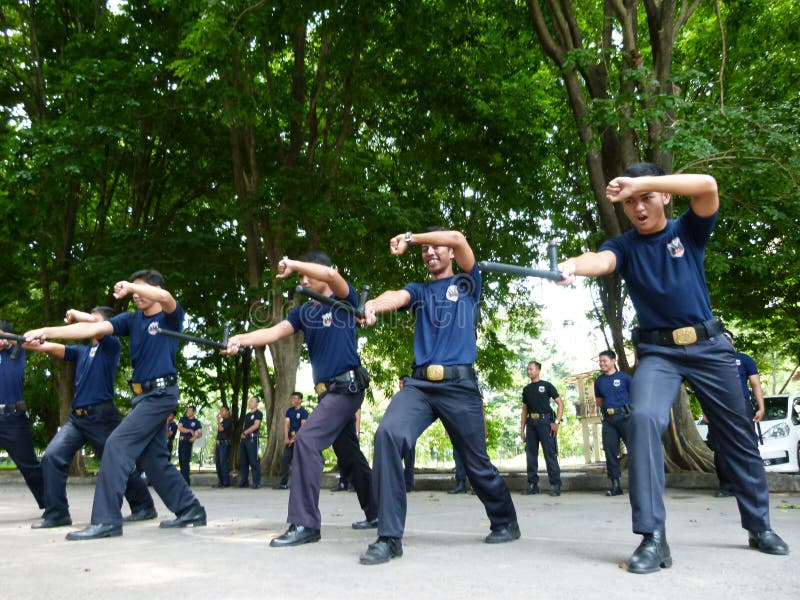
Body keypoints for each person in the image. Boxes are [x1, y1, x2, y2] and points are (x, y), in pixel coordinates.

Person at [557, 164, 788, 573]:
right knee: (643, 418)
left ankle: (759, 526)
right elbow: (600, 259)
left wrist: (641, 183)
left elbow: (708, 185)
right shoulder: (626, 246)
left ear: (664, 194)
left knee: (735, 433)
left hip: (709, 348)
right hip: (658, 353)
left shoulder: (687, 231)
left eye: (645, 197)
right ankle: (653, 537)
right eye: (629, 202)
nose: (638, 207)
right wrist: (573, 265)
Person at [359, 228, 520, 566]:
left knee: (476, 464)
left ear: (449, 255)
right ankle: (389, 537)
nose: (431, 252)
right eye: (426, 250)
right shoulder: (419, 290)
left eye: (437, 248)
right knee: (388, 434)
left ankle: (505, 519)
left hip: (460, 387)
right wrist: (373, 304)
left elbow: (460, 238)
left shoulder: (467, 283)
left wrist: (412, 238)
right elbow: (397, 296)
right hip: (419, 386)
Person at [24, 269, 206, 540]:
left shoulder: (169, 315)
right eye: (133, 291)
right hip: (142, 397)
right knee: (153, 459)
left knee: (117, 444)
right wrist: (45, 331)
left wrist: (133, 286)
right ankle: (190, 509)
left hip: (160, 394)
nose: (135, 296)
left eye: (140, 290)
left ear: (151, 288)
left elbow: (165, 296)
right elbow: (93, 327)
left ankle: (106, 521)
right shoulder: (131, 320)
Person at [224, 252, 377, 547]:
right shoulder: (304, 312)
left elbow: (332, 276)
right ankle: (377, 511)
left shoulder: (344, 299)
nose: (303, 279)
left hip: (347, 389)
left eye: (308, 274)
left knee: (306, 441)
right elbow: (272, 332)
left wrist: (294, 264)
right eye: (300, 276)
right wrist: (239, 339)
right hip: (328, 394)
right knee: (347, 453)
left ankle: (305, 523)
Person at [27, 307, 157, 529]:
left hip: (101, 417)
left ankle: (143, 506)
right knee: (51, 457)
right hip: (76, 419)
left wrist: (77, 315)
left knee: (116, 461)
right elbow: (56, 348)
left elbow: (96, 328)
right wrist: (33, 341)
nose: (89, 324)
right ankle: (57, 513)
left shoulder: (111, 346)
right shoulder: (82, 351)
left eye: (95, 320)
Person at [708, 330, 766, 497]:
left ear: (732, 341)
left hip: (741, 404)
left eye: (727, 339)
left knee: (748, 443)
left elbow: (755, 384)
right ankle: (726, 486)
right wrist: (707, 410)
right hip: (718, 405)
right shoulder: (710, 361)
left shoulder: (745, 359)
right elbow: (706, 387)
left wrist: (761, 407)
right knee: (721, 446)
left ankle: (751, 484)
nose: (725, 342)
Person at [0, 320, 45, 510]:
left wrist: (7, 340)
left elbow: (26, 341)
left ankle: (52, 506)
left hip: (12, 417)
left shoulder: (16, 352)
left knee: (30, 466)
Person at [520, 361, 564, 496]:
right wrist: (522, 429)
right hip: (531, 424)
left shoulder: (547, 385)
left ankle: (556, 485)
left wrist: (556, 422)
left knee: (550, 454)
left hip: (546, 422)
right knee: (531, 454)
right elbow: (524, 410)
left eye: (531, 369)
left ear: (538, 370)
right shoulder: (526, 389)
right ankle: (533, 485)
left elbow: (560, 404)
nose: (529, 372)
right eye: (527, 369)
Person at [593, 350, 632, 497]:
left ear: (613, 360)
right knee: (610, 452)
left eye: (604, 361)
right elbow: (599, 401)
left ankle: (639, 484)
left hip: (626, 417)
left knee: (634, 451)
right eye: (600, 361)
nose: (602, 363)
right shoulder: (599, 381)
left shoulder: (625, 378)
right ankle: (616, 485)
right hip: (609, 420)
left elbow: (634, 397)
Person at [273, 392, 309, 490]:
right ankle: (283, 483)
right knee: (285, 460)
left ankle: (302, 484)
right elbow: (286, 424)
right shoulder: (289, 411)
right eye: (291, 398)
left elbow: (303, 427)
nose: (292, 400)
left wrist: (294, 439)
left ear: (300, 400)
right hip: (290, 439)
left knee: (299, 463)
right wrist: (286, 438)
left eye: (295, 398)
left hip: (300, 440)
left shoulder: (304, 412)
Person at [238, 396, 263, 488]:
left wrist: (245, 432)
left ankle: (256, 482)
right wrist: (243, 434)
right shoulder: (247, 415)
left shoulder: (258, 413)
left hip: (252, 439)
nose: (250, 403)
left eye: (252, 401)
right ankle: (244, 481)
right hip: (244, 439)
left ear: (257, 403)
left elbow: (256, 426)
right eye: (249, 401)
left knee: (253, 460)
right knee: (243, 460)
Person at [177, 405, 202, 485]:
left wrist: (194, 438)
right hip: (181, 441)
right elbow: (180, 428)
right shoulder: (183, 419)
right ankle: (182, 481)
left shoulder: (196, 422)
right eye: (187, 410)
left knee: (185, 461)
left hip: (188, 442)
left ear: (194, 412)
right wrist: (189, 430)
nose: (188, 412)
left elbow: (200, 433)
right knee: (181, 461)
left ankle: (186, 482)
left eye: (190, 410)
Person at [213, 406, 233, 488]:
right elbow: (219, 434)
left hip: (224, 444)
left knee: (223, 462)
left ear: (227, 412)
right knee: (217, 462)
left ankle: (226, 482)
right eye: (220, 410)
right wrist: (215, 445)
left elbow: (221, 429)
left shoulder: (229, 421)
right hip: (218, 444)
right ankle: (220, 481)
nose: (220, 412)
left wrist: (217, 420)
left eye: (223, 410)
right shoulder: (222, 421)